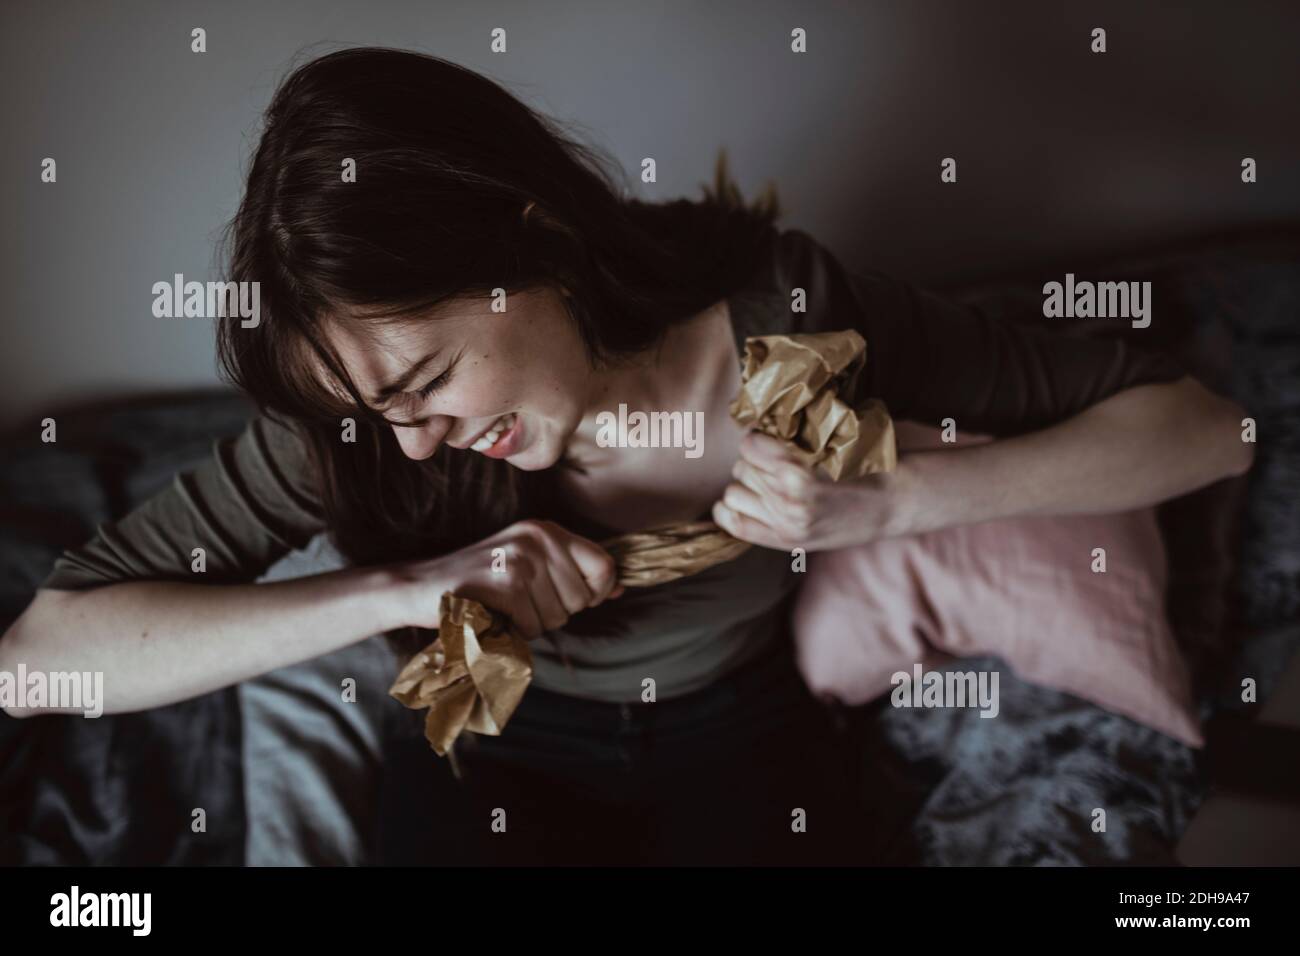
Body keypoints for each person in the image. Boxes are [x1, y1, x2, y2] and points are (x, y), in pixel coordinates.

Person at [0, 47, 1253, 865]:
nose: (414, 437)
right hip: (495, 737)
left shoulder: (792, 316)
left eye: (430, 377)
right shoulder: (361, 420)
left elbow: (1202, 429)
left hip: (738, 721)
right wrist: (398, 591)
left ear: (535, 237)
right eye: (377, 410)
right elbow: (40, 661)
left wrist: (897, 502)